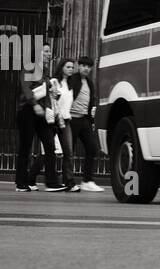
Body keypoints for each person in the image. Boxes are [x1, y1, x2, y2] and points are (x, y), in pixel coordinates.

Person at [16, 42, 61, 191]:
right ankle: (21, 183)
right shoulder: (29, 67)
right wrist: (34, 104)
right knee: (25, 147)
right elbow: (26, 88)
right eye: (46, 51)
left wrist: (53, 95)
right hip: (28, 110)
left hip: (41, 112)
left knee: (49, 144)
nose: (49, 54)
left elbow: (46, 92)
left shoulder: (46, 71)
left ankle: (51, 182)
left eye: (49, 52)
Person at [68, 54, 103, 191]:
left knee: (92, 148)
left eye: (88, 66)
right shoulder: (72, 79)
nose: (86, 69)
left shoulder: (89, 82)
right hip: (71, 119)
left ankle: (87, 180)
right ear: (78, 66)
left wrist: (91, 120)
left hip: (84, 120)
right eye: (83, 66)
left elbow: (90, 102)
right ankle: (68, 181)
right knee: (69, 151)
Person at [49, 58, 80, 192]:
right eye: (68, 67)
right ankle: (31, 178)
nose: (70, 69)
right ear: (61, 67)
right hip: (54, 121)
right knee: (48, 151)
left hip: (66, 121)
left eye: (72, 67)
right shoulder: (54, 82)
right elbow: (51, 101)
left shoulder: (71, 84)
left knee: (68, 152)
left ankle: (69, 182)